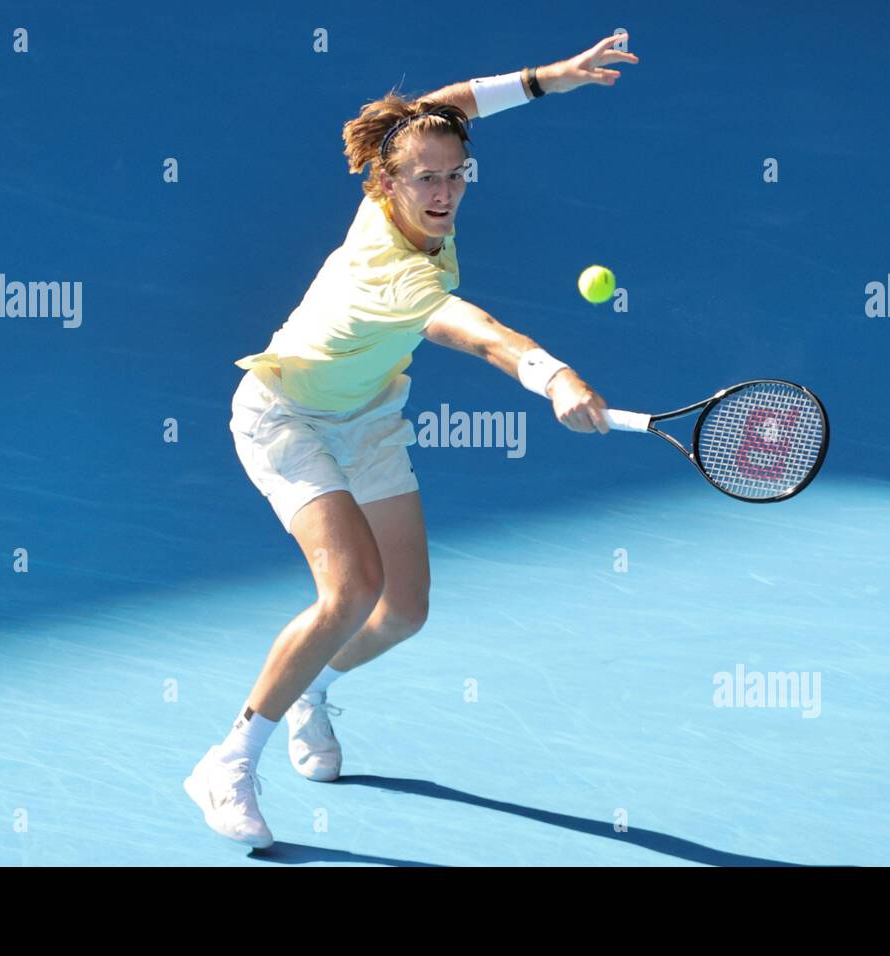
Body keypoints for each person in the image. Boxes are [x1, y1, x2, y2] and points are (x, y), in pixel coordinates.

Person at [185, 34, 639, 848]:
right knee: (350, 591)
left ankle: (308, 691)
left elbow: (451, 104)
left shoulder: (411, 165)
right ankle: (228, 758)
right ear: (385, 184)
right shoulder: (399, 274)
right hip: (282, 414)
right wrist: (555, 376)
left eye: (455, 173)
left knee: (403, 613)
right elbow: (478, 332)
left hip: (366, 417)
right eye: (424, 178)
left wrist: (547, 79)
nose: (442, 190)